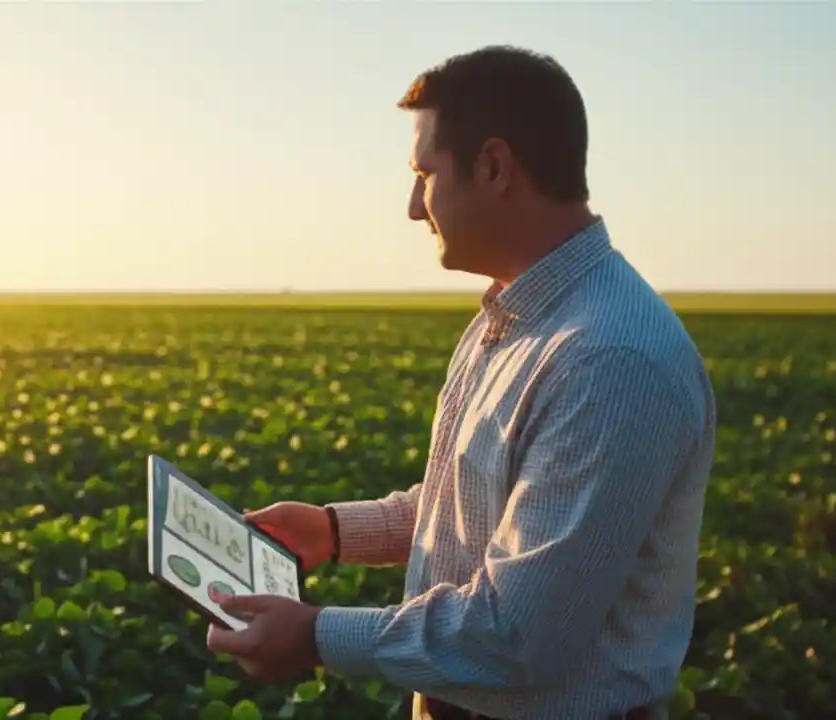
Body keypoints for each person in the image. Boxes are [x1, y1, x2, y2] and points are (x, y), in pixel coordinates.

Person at [205, 45, 716, 720]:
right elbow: (477, 508)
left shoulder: (608, 359)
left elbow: (518, 635)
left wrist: (315, 634)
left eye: (425, 174)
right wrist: (333, 531)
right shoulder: (511, 316)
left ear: (495, 166)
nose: (416, 207)